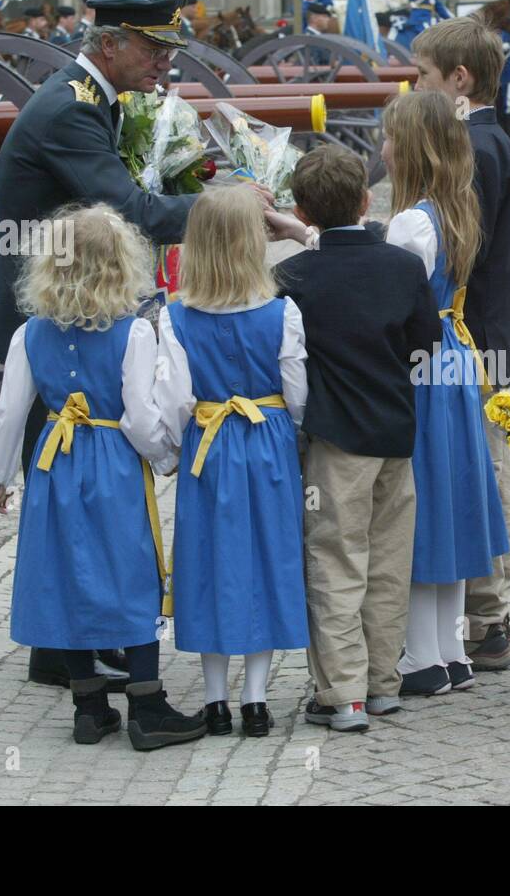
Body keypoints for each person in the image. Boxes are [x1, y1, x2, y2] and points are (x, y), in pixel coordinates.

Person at [0, 0, 201, 693]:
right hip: (57, 315)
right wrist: (219, 211)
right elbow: (129, 212)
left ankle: (64, 641)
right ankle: (63, 643)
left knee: (64, 483)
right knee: (64, 481)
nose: (165, 61)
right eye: (154, 47)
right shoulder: (73, 107)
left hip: (67, 303)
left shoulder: (85, 93)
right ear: (109, 45)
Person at [0, 204, 205, 751]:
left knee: (65, 572)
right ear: (121, 266)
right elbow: (141, 417)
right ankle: (147, 707)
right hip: (115, 468)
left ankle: (89, 706)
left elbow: (8, 411)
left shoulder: (29, 334)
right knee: (132, 570)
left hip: (55, 465)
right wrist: (164, 457)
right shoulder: (134, 334)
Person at [272, 145, 441, 730]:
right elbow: (427, 341)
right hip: (395, 431)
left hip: (335, 438)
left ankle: (340, 693)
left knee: (336, 562)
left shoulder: (292, 276)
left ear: (303, 210)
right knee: (390, 563)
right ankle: (382, 683)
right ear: (368, 200)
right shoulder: (403, 266)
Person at [154, 186, 310, 739]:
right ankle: (256, 699)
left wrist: (171, 453)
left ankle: (215, 700)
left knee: (207, 562)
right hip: (265, 444)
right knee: (269, 559)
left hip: (208, 448)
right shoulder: (282, 312)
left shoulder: (175, 318)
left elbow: (171, 401)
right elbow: (297, 394)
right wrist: (285, 435)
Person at [379, 90, 509, 698]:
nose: (380, 148)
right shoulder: (456, 207)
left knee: (419, 503)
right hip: (456, 356)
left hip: (421, 360)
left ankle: (421, 657)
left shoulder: (409, 221)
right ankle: (450, 651)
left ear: (409, 150)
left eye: (387, 138)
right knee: (451, 498)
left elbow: (388, 297)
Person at [413, 17, 510, 670]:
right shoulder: (486, 140)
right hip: (490, 333)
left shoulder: (474, 150)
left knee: (484, 471)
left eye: (424, 77)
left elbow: (458, 254)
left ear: (459, 80)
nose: (415, 87)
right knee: (483, 468)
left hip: (477, 337)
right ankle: (483, 610)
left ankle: (487, 615)